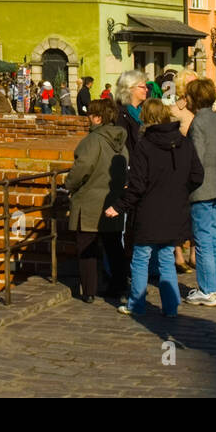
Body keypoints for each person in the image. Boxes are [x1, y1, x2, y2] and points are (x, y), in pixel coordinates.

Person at [106, 99, 204, 317]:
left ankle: (136, 304)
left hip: (149, 210)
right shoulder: (184, 142)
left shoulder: (145, 145)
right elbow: (198, 175)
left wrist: (118, 206)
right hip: (175, 209)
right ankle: (171, 307)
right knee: (167, 257)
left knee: (141, 257)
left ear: (146, 118)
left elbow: (137, 185)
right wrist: (180, 190)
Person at [65, 99, 130, 302]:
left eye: (90, 116)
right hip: (112, 199)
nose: (88, 119)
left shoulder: (93, 140)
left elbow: (82, 168)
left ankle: (89, 290)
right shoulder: (120, 142)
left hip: (90, 199)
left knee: (87, 245)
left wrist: (69, 184)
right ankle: (119, 284)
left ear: (98, 118)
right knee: (113, 246)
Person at [181, 78, 216, 306]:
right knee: (214, 237)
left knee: (203, 239)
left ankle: (207, 289)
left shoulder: (198, 122)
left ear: (194, 99)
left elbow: (195, 158)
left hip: (202, 187)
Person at [114, 70, 149, 151]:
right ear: (130, 88)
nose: (146, 90)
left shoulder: (142, 111)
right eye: (143, 87)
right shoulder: (120, 114)